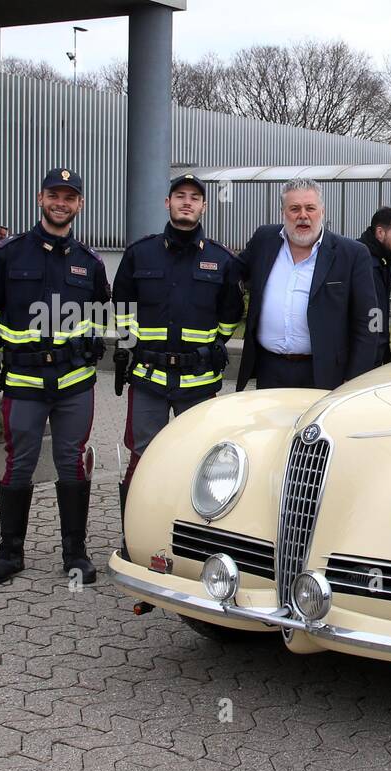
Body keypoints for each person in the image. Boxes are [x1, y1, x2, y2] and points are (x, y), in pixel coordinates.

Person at [0, 168, 110, 585]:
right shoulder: (8, 254)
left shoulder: (90, 262)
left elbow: (103, 313)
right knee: (19, 464)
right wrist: (15, 345)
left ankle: (75, 555)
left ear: (79, 205)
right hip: (24, 382)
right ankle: (9, 553)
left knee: (72, 463)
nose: (61, 203)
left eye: (69, 197)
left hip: (74, 384)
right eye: (54, 195)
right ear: (40, 198)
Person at [113, 173, 243, 523]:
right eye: (180, 195)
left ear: (203, 206)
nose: (187, 201)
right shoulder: (140, 253)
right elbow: (123, 304)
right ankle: (134, 535)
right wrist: (134, 344)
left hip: (198, 382)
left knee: (197, 460)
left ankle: (183, 535)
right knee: (143, 457)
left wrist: (214, 345)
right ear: (167, 202)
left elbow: (232, 313)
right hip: (148, 379)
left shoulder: (221, 259)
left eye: (195, 197)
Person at [234, 179, 377, 391]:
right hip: (269, 371)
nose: (303, 215)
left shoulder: (352, 254)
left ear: (322, 211)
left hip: (325, 374)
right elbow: (231, 272)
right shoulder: (263, 240)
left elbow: (370, 321)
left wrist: (354, 378)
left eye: (310, 208)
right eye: (294, 208)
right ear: (283, 212)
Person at [358, 206, 391, 367]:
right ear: (380, 233)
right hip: (364, 359)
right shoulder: (360, 261)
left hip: (377, 356)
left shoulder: (384, 261)